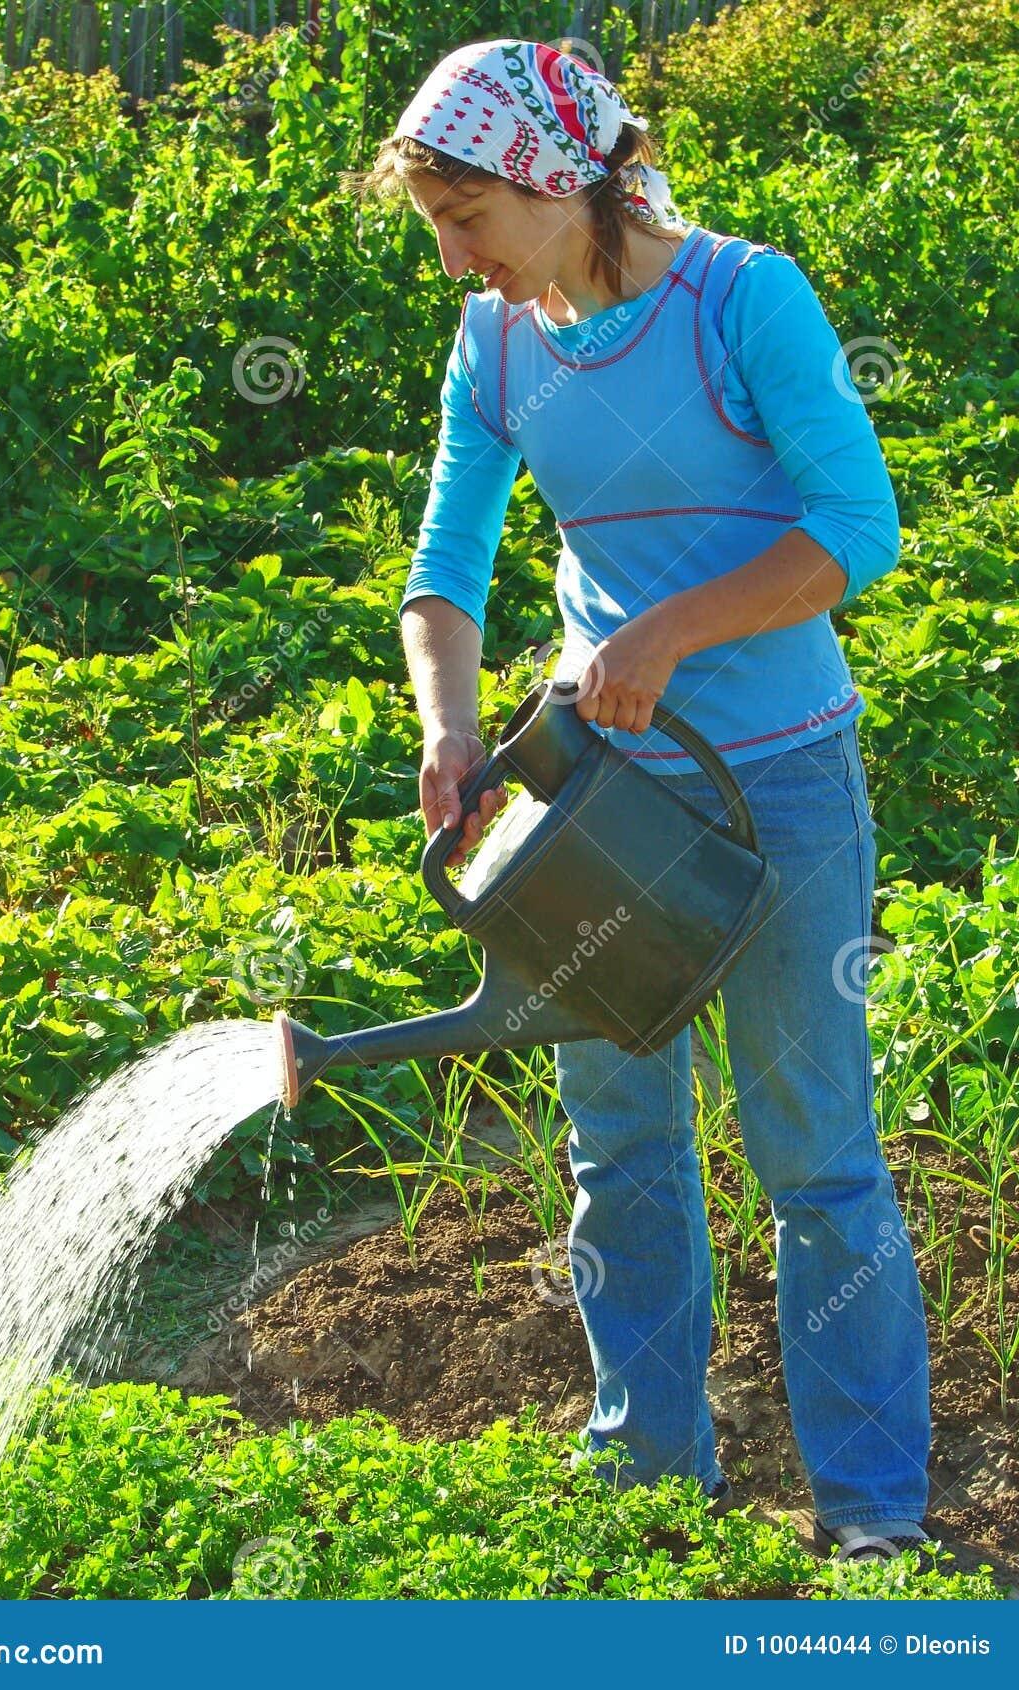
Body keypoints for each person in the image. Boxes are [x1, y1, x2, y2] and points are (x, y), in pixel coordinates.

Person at [345, 38, 932, 1563]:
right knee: (618, 1146)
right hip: (594, 800)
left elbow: (855, 530)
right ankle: (652, 1477)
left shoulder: (745, 299)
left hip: (779, 782)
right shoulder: (497, 342)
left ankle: (872, 1518)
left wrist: (667, 633)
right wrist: (451, 726)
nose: (454, 259)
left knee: (815, 1154)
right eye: (438, 230)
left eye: (467, 221)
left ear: (555, 182)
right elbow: (444, 569)